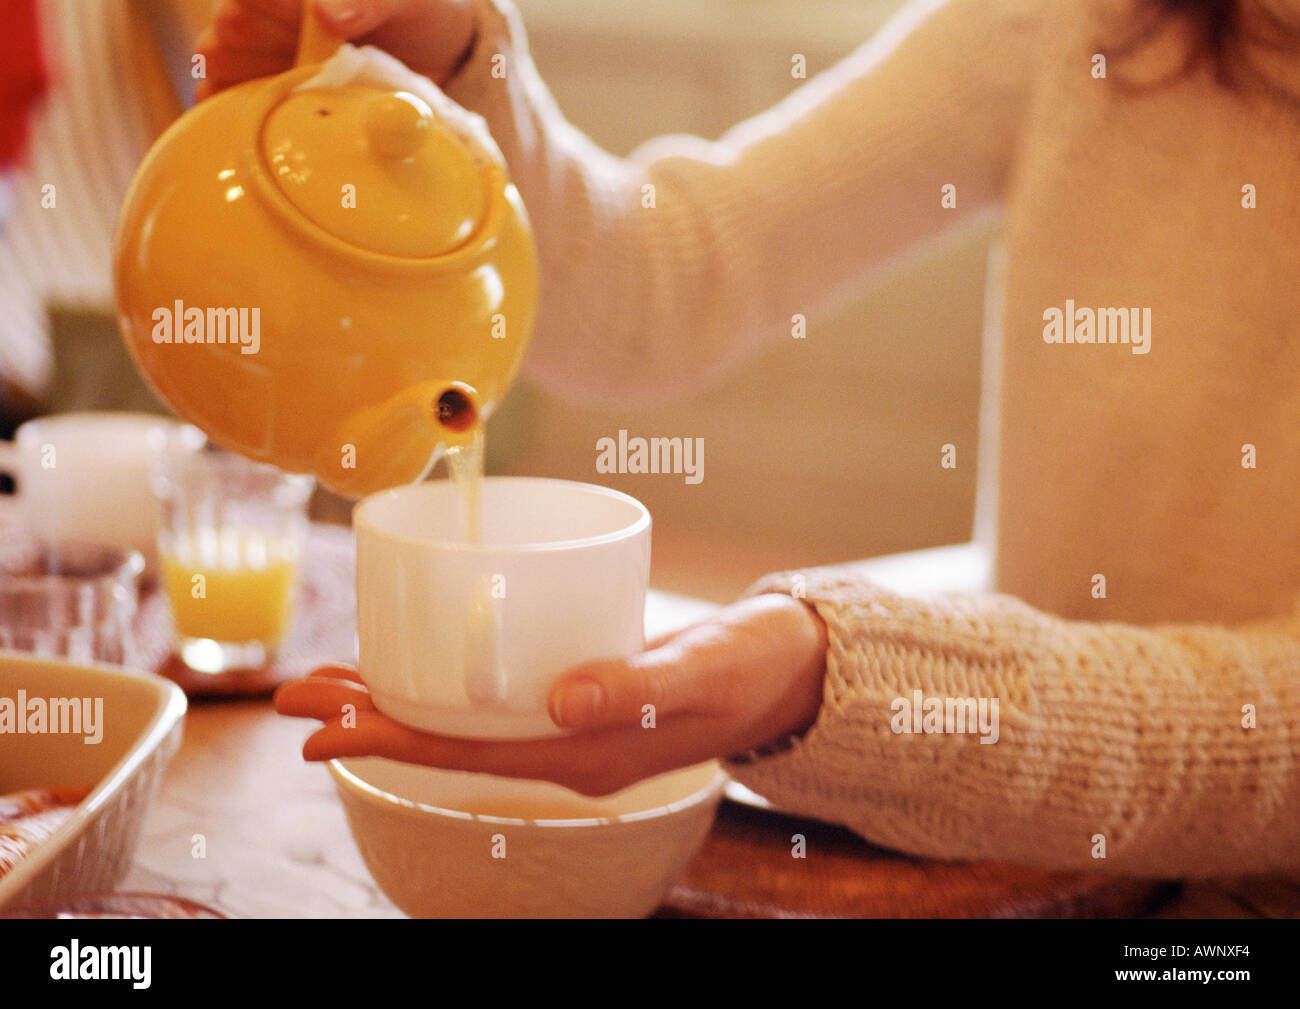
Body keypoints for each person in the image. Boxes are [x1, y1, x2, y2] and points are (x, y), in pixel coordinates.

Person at [200, 0, 1299, 876]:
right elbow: (664, 281)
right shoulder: (1086, 25)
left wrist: (842, 679)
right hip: (1014, 862)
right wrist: (453, 64)